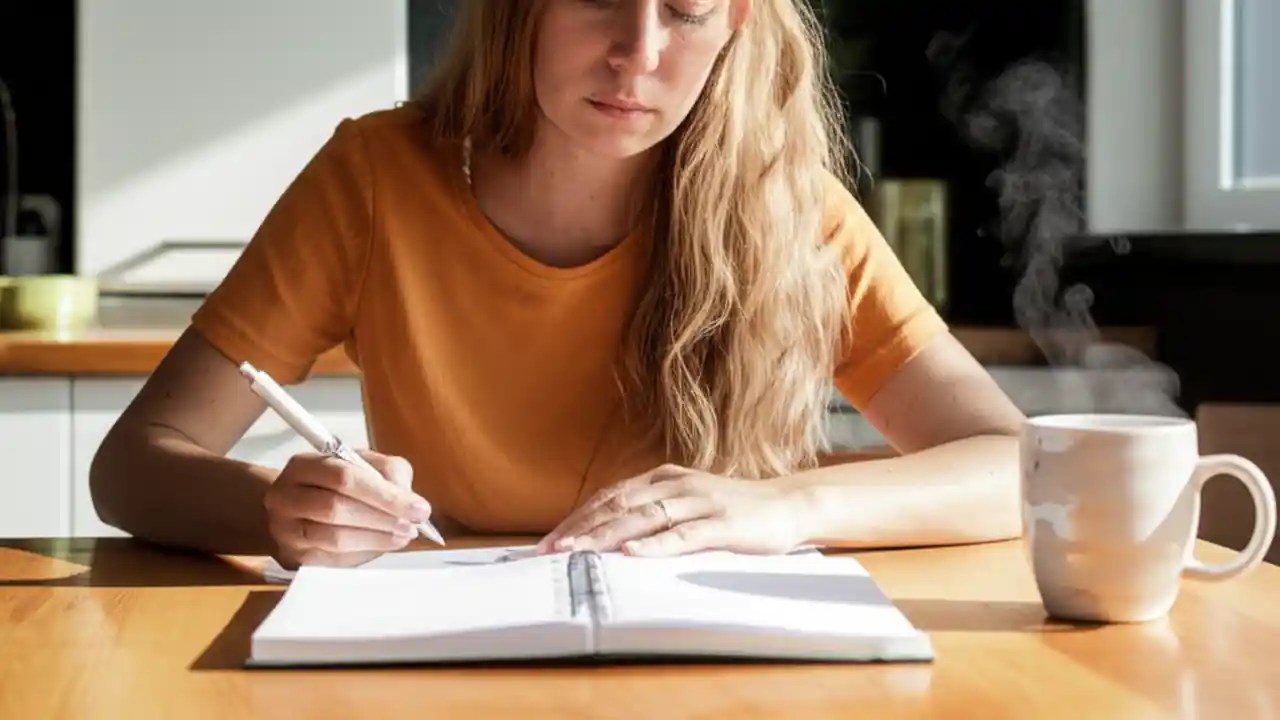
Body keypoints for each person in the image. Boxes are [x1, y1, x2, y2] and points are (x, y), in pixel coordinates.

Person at [90, 0, 1025, 571]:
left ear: (735, 17)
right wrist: (276, 510)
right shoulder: (375, 180)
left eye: (687, 11)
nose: (636, 52)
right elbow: (134, 464)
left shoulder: (790, 208)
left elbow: (1014, 467)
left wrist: (787, 508)